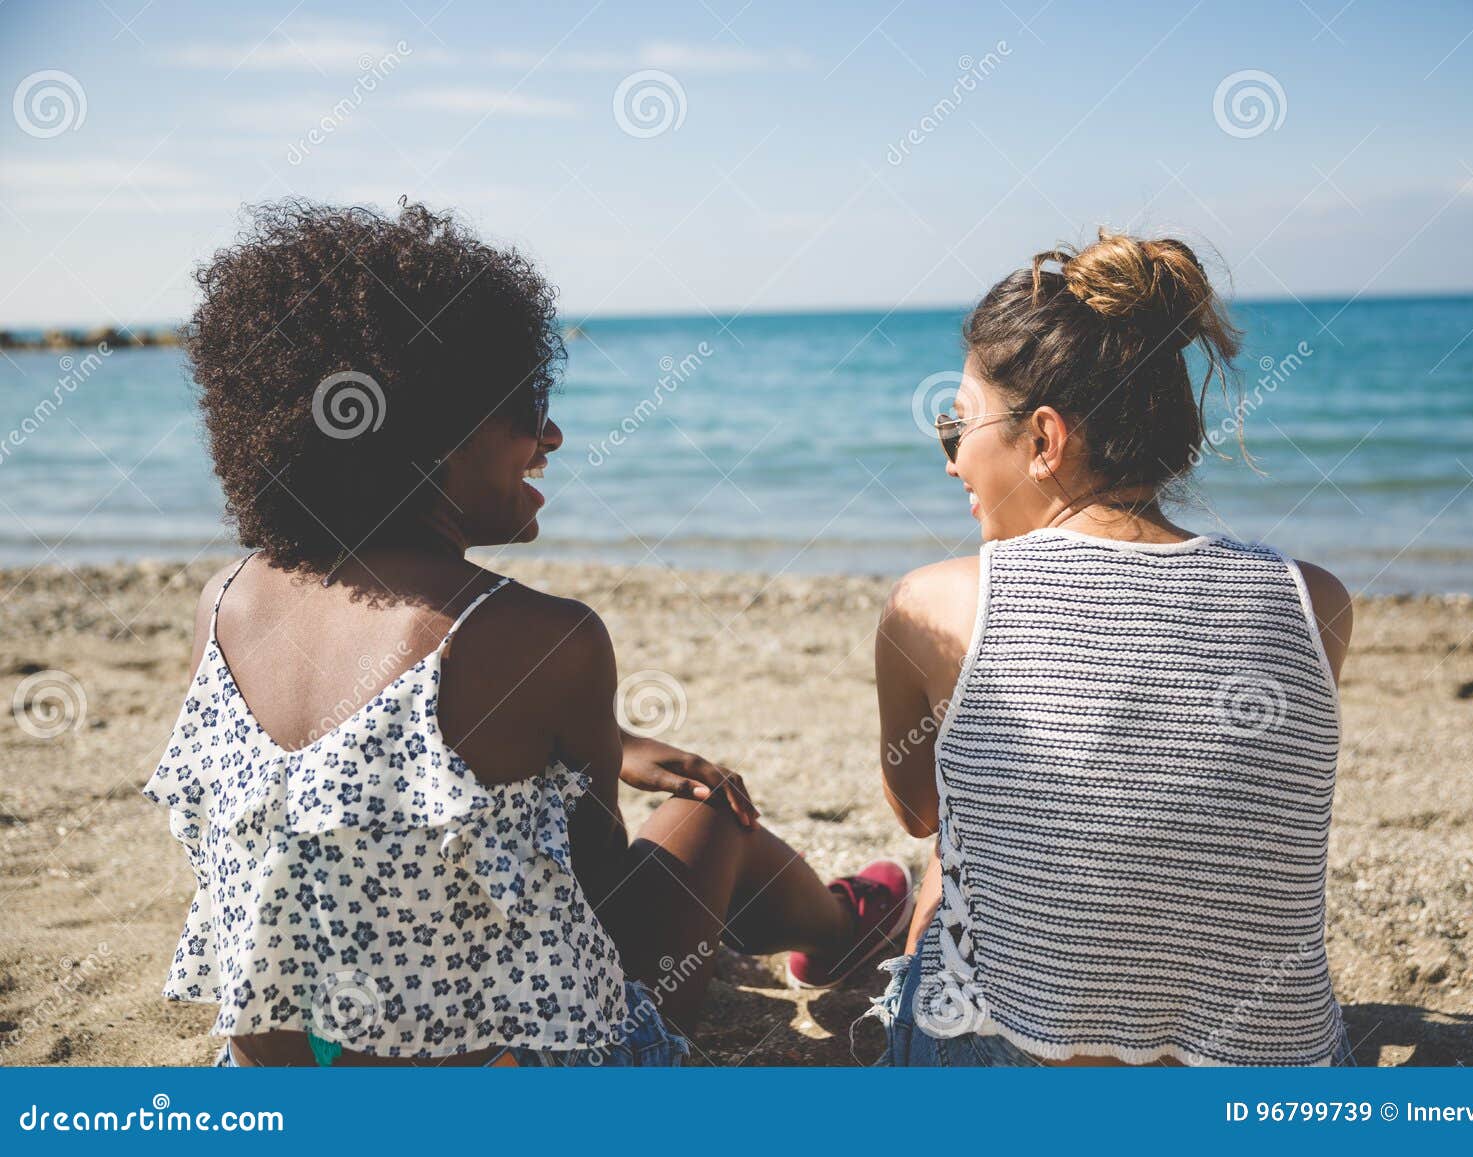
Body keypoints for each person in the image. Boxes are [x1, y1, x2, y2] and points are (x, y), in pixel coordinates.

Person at [144, 200, 910, 1067]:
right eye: (527, 405)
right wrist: (579, 741)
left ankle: (818, 925)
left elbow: (354, 767)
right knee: (707, 820)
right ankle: (843, 927)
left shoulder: (225, 599)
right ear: (438, 434)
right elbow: (598, 895)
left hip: (290, 1077)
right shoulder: (538, 637)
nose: (549, 436)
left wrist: (601, 741)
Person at [869, 229, 1355, 1067]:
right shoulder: (1313, 600)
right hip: (1275, 1085)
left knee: (946, 876)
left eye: (960, 426)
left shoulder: (931, 605)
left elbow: (921, 812)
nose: (954, 464)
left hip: (1024, 1068)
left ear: (1044, 440)